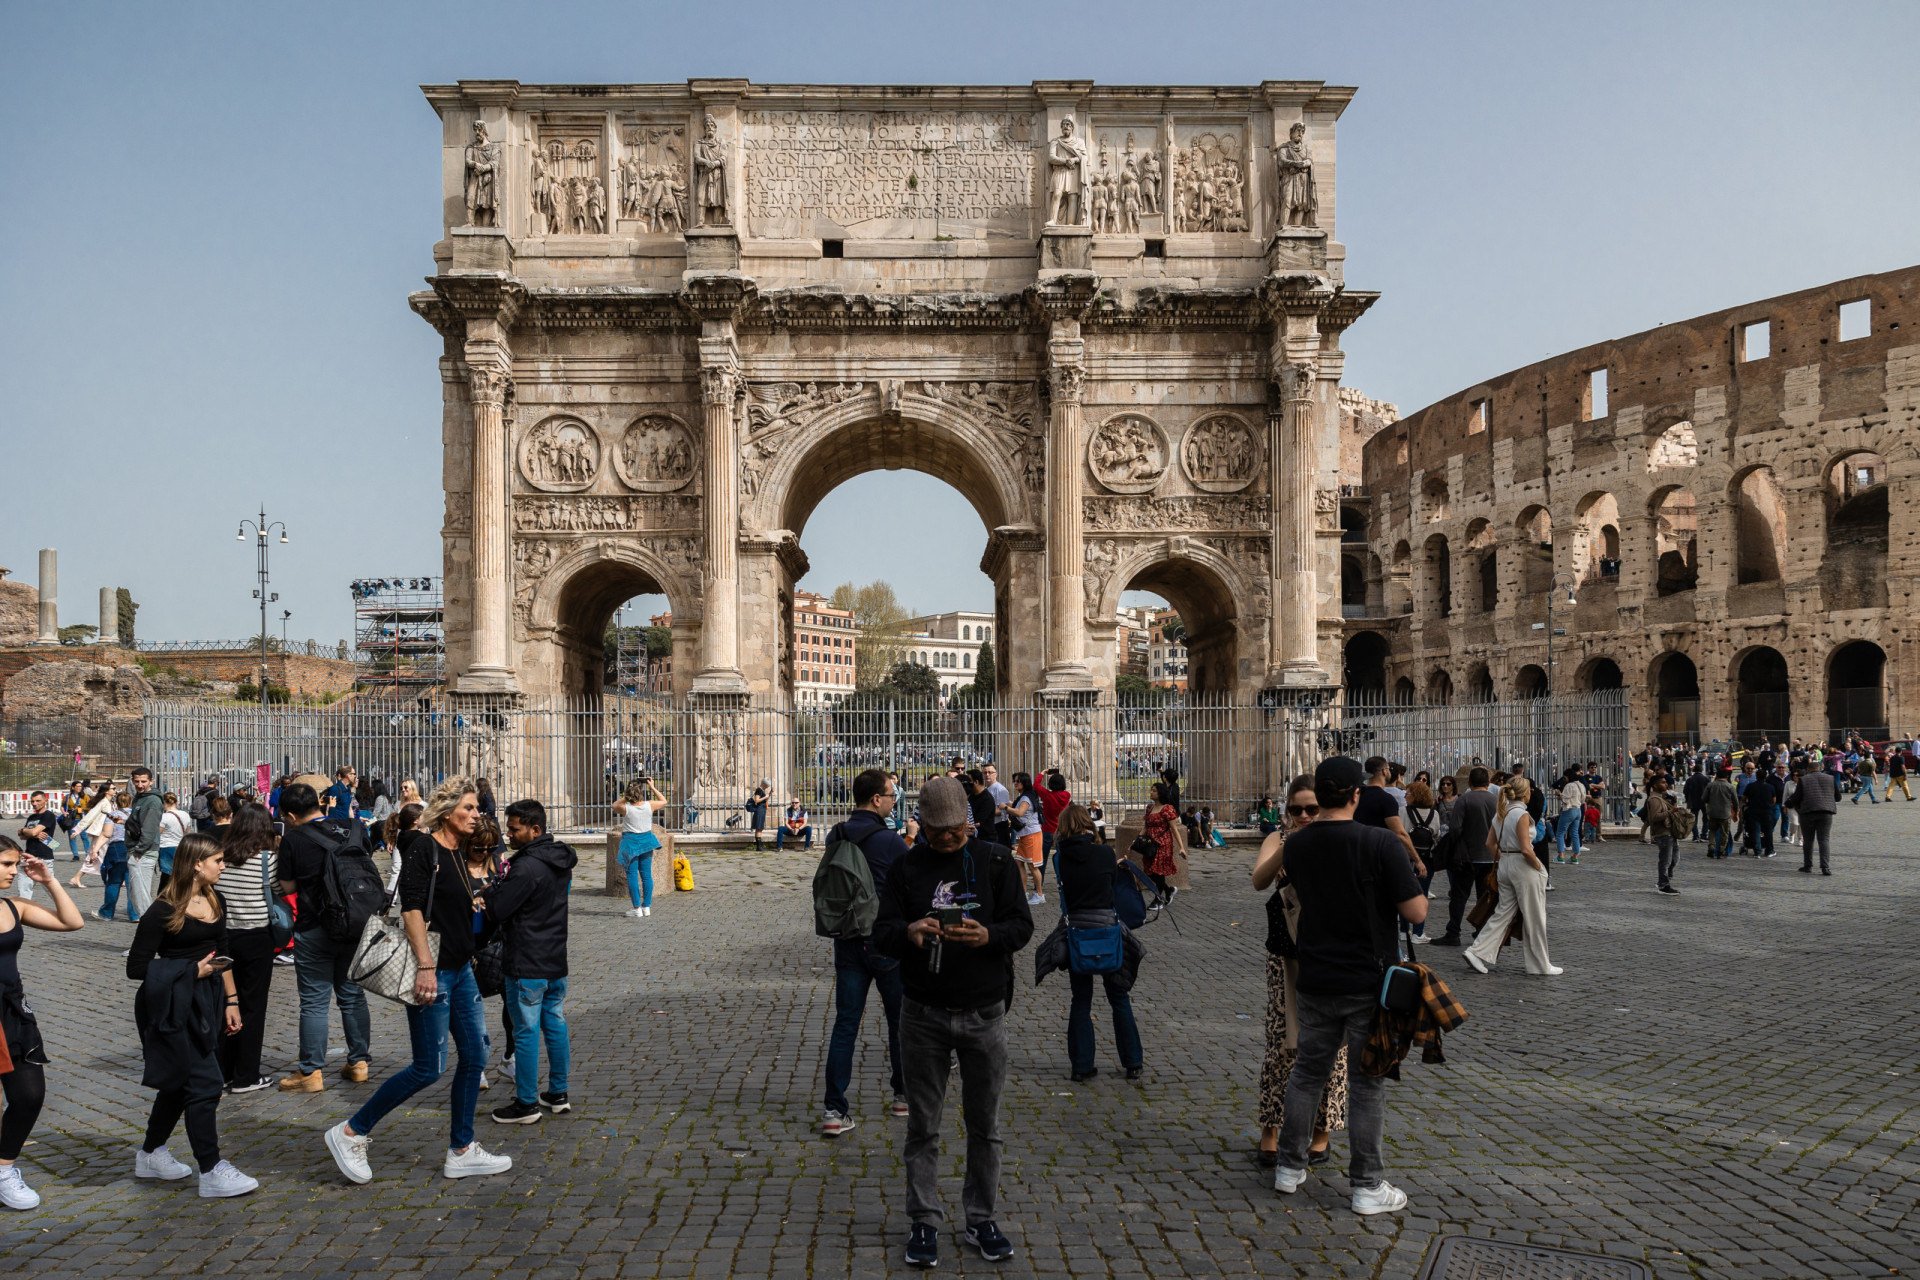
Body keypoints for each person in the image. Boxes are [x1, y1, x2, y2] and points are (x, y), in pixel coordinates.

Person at [872, 776, 1033, 1268]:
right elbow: (880, 933)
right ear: (922, 823)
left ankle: (981, 1216)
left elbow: (1022, 926)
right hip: (922, 1014)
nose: (947, 840)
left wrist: (990, 936)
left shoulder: (997, 861)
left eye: (955, 833)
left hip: (984, 1012)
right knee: (923, 1125)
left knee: (985, 1125)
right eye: (938, 833)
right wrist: (908, 931)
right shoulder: (905, 867)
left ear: (968, 821)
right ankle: (924, 1220)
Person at [323, 777, 513, 1184]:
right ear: (447, 811)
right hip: (435, 970)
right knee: (429, 1067)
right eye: (469, 808)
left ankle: (461, 1149)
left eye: (477, 808)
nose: (477, 814)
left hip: (462, 970)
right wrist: (425, 967)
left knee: (475, 1057)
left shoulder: (459, 851)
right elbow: (411, 909)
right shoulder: (424, 848)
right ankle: (350, 1131)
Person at [1269, 757, 1425, 1216]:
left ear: (1320, 796)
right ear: (1357, 794)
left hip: (1316, 976)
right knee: (1367, 1083)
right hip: (1368, 979)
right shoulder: (1379, 842)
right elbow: (1416, 914)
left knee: (1306, 1075)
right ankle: (1366, 1184)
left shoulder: (1296, 846)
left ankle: (1288, 1167)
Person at [126, 833, 259, 1198]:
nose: (223, 865)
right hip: (172, 1002)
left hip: (209, 1000)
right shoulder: (163, 910)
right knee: (204, 1084)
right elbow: (136, 967)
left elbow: (223, 952)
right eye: (217, 860)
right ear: (197, 864)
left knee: (178, 1082)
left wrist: (232, 1001)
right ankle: (212, 1169)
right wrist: (189, 971)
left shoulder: (218, 898)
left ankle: (151, 1154)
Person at [1252, 775, 1343, 1169]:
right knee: (1281, 1044)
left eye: (1311, 808)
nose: (1304, 815)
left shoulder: (1338, 838)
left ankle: (1321, 1133)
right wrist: (1290, 847)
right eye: (1296, 809)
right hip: (1286, 954)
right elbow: (1258, 881)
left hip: (1331, 954)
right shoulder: (1280, 840)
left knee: (1333, 1047)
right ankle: (1270, 1131)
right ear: (1286, 811)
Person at [820, 769, 910, 1137]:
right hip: (885, 940)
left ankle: (833, 1109)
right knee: (899, 1021)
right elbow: (909, 889)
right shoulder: (891, 842)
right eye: (891, 796)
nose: (894, 800)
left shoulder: (836, 834)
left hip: (847, 938)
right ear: (876, 800)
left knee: (845, 1025)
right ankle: (903, 1094)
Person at [0, 836, 85, 1210]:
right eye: (5, 864)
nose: (13, 871)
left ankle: (3, 1170)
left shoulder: (13, 906)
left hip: (12, 1012)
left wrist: (49, 880)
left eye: (15, 864)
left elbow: (73, 922)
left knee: (29, 1095)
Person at [275, 781, 372, 1091]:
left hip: (315, 925)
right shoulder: (354, 827)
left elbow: (288, 888)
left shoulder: (294, 839)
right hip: (356, 923)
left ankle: (311, 1072)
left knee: (315, 1003)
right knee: (352, 995)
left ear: (290, 815)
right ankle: (358, 1063)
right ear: (319, 802)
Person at [485, 799, 577, 1125]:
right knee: (554, 1023)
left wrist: (490, 894)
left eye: (514, 828)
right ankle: (558, 1093)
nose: (507, 835)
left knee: (525, 1032)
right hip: (555, 957)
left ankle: (526, 1103)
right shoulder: (559, 861)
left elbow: (497, 910)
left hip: (526, 961)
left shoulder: (525, 868)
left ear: (534, 829)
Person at [1053, 804, 1142, 1082]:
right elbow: (1110, 883)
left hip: (1078, 930)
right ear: (1088, 824)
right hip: (1107, 929)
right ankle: (1133, 1063)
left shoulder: (1059, 859)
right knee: (1119, 998)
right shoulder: (1105, 853)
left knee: (1081, 1000)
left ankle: (1081, 1066)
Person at [1462, 779, 1559, 976]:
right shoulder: (1521, 814)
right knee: (1535, 916)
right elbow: (1525, 848)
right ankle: (1539, 965)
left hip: (1505, 863)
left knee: (1502, 913)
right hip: (1521, 865)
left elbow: (1490, 843)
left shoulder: (1501, 813)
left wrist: (1504, 859)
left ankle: (1476, 951)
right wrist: (1541, 868)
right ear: (1526, 794)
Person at [217, 805, 281, 1094]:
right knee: (253, 1006)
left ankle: (222, 1070)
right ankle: (246, 1075)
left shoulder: (221, 857)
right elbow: (280, 890)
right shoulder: (268, 859)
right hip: (256, 935)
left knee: (226, 1003)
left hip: (223, 936)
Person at [1430, 768, 1496, 946]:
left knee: (1459, 897)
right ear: (1488, 783)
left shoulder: (1464, 800)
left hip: (1466, 857)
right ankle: (1481, 932)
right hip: (1489, 857)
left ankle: (1453, 932)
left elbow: (1455, 829)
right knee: (1484, 898)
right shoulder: (1496, 800)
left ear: (1468, 783)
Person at [613, 777, 667, 918]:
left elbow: (614, 805)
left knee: (632, 876)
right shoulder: (649, 805)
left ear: (629, 793)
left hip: (630, 843)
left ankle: (636, 908)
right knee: (646, 876)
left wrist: (626, 797)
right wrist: (652, 787)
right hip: (646, 842)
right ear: (641, 792)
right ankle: (646, 906)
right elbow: (664, 800)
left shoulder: (625, 808)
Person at [1403, 782, 1441, 940]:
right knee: (1422, 893)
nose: (1405, 796)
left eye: (1408, 793)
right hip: (1426, 858)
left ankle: (1403, 931)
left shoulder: (1402, 811)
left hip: (1405, 857)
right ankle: (1418, 932)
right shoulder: (1434, 814)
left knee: (1404, 894)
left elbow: (1399, 833)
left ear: (1415, 796)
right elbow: (1436, 835)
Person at [1006, 773, 1046, 906]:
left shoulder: (1026, 798)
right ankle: (1023, 892)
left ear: (1025, 783)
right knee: (1019, 863)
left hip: (1031, 835)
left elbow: (1019, 813)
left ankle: (1039, 894)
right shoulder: (1024, 797)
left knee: (1033, 866)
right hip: (1025, 835)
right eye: (1015, 781)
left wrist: (1005, 808)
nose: (1015, 783)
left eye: (1018, 781)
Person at [1794, 758, 1838, 875]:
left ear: (1808, 770)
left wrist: (1793, 806)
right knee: (1824, 839)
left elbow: (1796, 797)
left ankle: (1808, 865)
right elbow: (1838, 797)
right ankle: (1825, 867)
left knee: (1808, 840)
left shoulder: (1803, 780)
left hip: (1808, 812)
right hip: (1826, 812)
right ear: (1820, 768)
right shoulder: (1830, 778)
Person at [1140, 781, 1180, 900]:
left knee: (1159, 871)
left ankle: (1158, 899)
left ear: (1160, 793)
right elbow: (1145, 827)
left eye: (1154, 790)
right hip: (1150, 842)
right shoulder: (1149, 808)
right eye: (1151, 790)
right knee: (1149, 870)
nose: (1151, 792)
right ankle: (1169, 890)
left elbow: (1174, 829)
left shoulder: (1167, 808)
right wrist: (1137, 840)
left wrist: (1182, 847)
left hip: (1163, 843)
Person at [1643, 775, 1680, 895]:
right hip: (1662, 833)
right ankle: (1664, 885)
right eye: (1663, 782)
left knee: (1674, 858)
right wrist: (1670, 812)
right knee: (1665, 860)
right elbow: (1654, 817)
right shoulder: (1654, 799)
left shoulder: (1661, 798)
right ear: (1655, 785)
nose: (1666, 784)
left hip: (1669, 832)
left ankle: (1664, 880)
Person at [1553, 768, 1587, 863]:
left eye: (1565, 777)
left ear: (1568, 776)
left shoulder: (1569, 786)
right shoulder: (1581, 785)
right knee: (1574, 833)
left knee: (1560, 833)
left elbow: (1565, 799)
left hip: (1569, 810)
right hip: (1578, 810)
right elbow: (1583, 798)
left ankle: (1561, 856)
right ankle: (1575, 856)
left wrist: (1559, 794)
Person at [1703, 768, 1738, 859]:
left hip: (1713, 812)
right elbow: (1735, 801)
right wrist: (1736, 810)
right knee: (1724, 833)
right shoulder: (1730, 787)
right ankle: (1721, 851)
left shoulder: (1710, 785)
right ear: (1727, 776)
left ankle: (1711, 847)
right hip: (1725, 813)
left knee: (1712, 831)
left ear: (1717, 776)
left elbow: (1704, 798)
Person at [747, 780, 771, 849]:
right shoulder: (759, 790)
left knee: (759, 828)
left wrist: (769, 793)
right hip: (759, 810)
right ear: (763, 784)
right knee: (759, 828)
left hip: (762, 809)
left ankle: (759, 845)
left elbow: (765, 800)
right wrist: (765, 797)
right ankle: (759, 846)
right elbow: (756, 800)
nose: (767, 787)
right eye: (766, 785)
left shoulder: (762, 790)